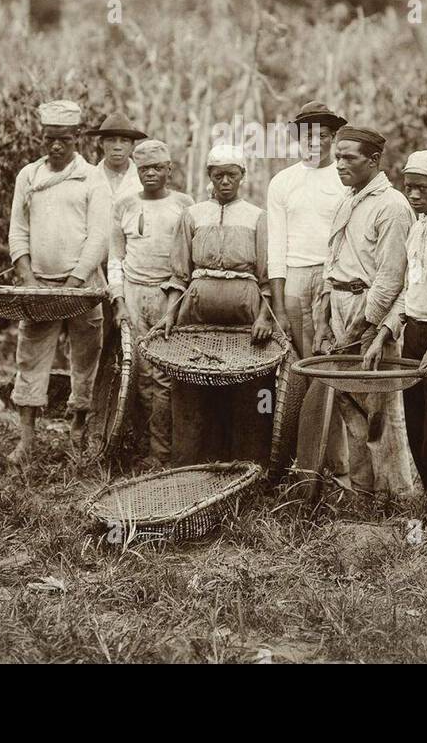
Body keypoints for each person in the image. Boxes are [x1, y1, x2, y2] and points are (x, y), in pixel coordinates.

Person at [315, 125, 418, 499]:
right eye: (337, 156)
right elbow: (333, 260)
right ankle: (363, 494)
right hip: (341, 306)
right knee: (348, 402)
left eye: (349, 158)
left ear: (374, 161)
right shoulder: (349, 198)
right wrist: (325, 320)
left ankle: (397, 497)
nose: (339, 163)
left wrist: (363, 329)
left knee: (381, 409)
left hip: (371, 314)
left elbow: (391, 279)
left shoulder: (392, 207)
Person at [158, 144, 276, 465]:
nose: (225, 182)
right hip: (196, 313)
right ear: (209, 176)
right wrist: (170, 314)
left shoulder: (257, 217)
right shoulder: (192, 214)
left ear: (243, 177)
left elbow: (267, 275)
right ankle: (192, 465)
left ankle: (249, 466)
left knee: (251, 390)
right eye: (219, 175)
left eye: (232, 175)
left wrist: (264, 317)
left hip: (246, 316)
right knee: (193, 384)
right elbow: (179, 273)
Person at [7, 100, 111, 462]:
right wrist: (27, 276)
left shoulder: (92, 177)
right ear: (42, 137)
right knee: (30, 357)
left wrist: (77, 279)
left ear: (77, 137)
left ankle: (79, 429)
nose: (55, 146)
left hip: (83, 287)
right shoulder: (29, 176)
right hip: (40, 286)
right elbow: (18, 231)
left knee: (86, 358)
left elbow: (99, 235)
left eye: (63, 140)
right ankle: (26, 440)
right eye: (49, 139)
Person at [364, 149, 427, 509]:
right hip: (414, 336)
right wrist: (384, 334)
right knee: (417, 428)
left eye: (422, 188)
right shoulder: (418, 226)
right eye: (409, 188)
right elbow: (409, 290)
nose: (415, 195)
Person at [266, 100, 349, 470]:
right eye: (308, 136)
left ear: (333, 139)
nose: (315, 143)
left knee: (333, 369)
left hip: (336, 280)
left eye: (324, 136)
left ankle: (340, 467)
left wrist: (337, 285)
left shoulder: (346, 180)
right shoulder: (283, 182)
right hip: (295, 278)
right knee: (301, 371)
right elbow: (276, 245)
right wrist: (279, 306)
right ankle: (304, 464)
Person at [107, 139, 193, 466]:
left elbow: (188, 257)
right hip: (133, 291)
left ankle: (165, 452)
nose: (151, 174)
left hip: (168, 294)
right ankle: (144, 450)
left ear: (170, 169)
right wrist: (118, 300)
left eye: (158, 168)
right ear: (137, 170)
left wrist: (178, 300)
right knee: (139, 375)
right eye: (144, 169)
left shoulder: (184, 204)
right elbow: (115, 257)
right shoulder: (124, 205)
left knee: (166, 376)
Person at [88, 111, 146, 200]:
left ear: (132, 145)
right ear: (101, 143)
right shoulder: (88, 179)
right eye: (111, 140)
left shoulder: (142, 181)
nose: (117, 147)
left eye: (124, 141)